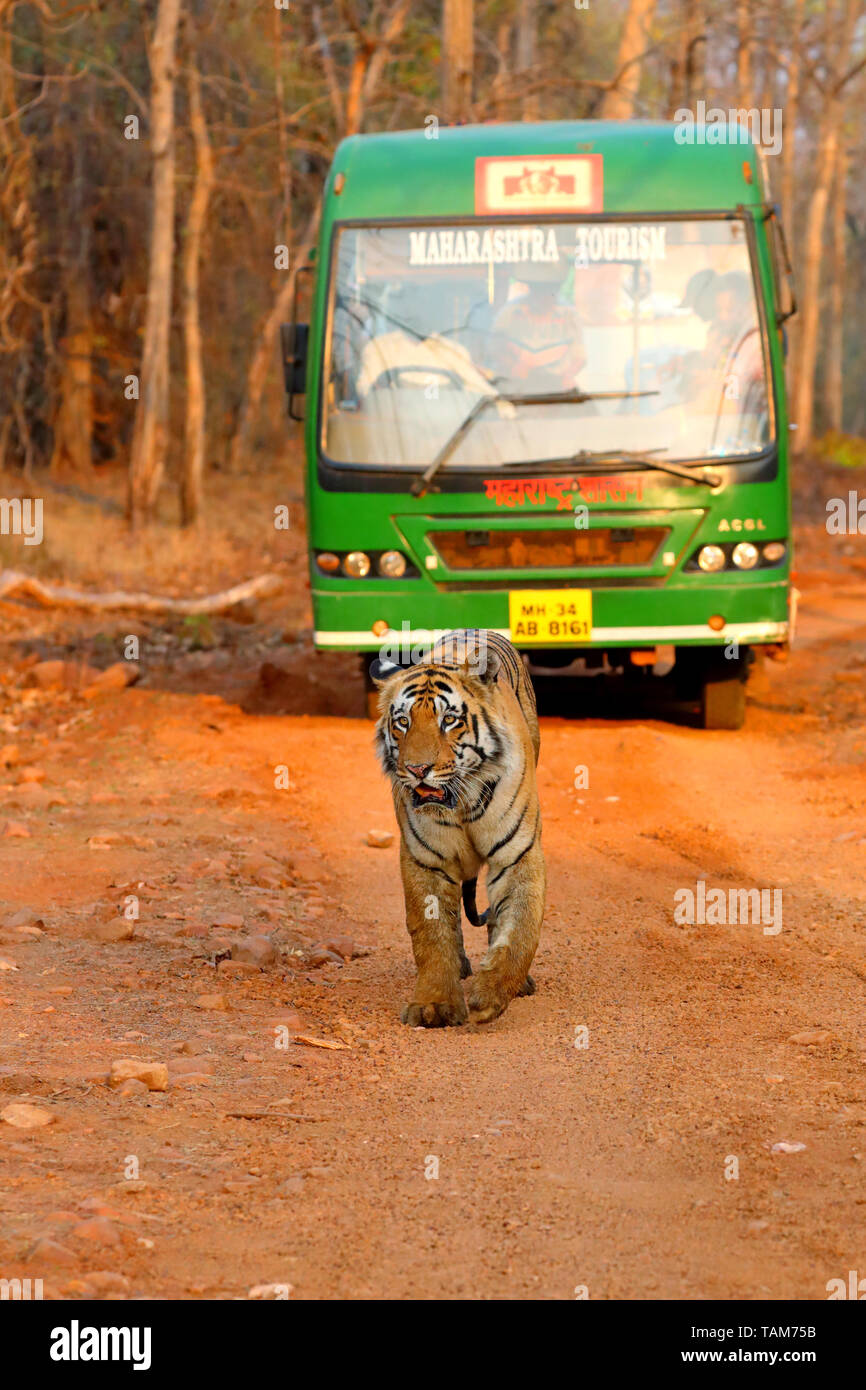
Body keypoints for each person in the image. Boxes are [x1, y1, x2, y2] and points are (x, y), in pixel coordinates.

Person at [490, 258, 586, 393]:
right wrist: (512, 367)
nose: (544, 296)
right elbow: (494, 349)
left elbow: (579, 356)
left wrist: (568, 376)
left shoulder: (569, 315)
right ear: (531, 288)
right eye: (539, 289)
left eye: (549, 290)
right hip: (517, 386)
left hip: (557, 388)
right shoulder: (510, 313)